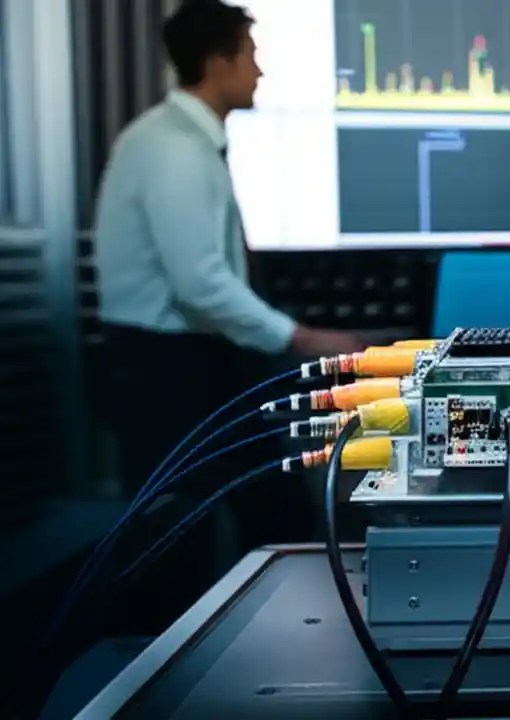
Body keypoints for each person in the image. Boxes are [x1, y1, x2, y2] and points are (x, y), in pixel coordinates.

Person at [91, 0, 362, 625]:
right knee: (175, 527)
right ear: (218, 63)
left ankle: (279, 627)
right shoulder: (173, 150)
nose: (260, 72)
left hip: (192, 357)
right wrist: (297, 335)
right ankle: (153, 667)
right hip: (167, 364)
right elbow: (199, 284)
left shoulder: (180, 139)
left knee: (261, 503)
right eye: (251, 55)